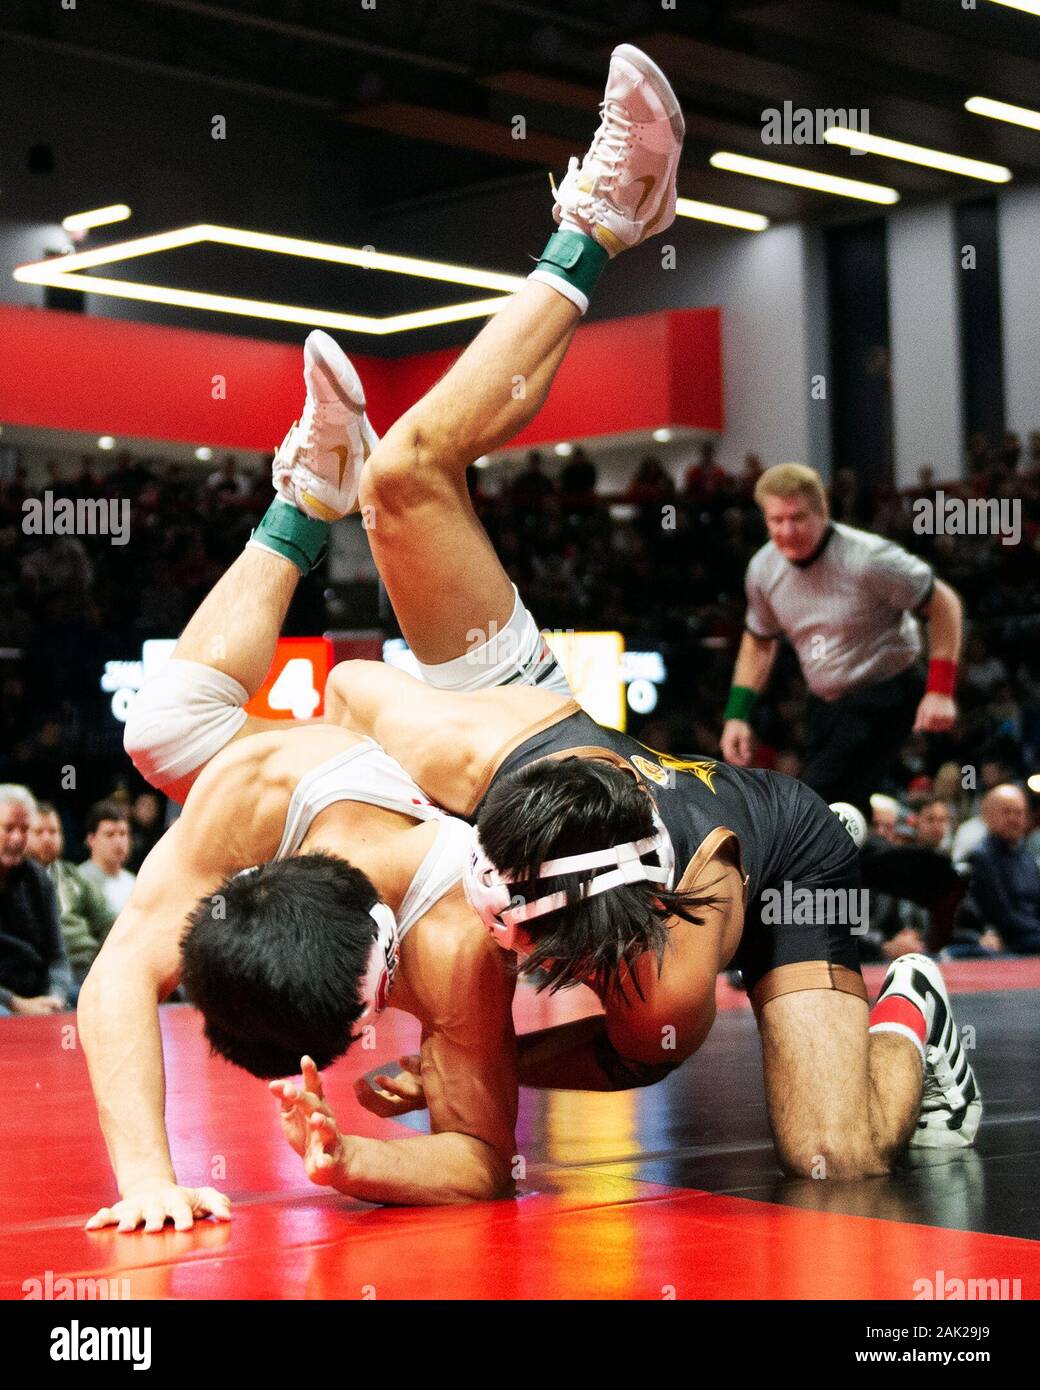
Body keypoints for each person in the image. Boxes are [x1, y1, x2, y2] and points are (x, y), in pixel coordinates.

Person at [242, 49, 978, 1170]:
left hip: (784, 858)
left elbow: (641, 1054)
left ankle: (910, 1005)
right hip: (564, 755)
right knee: (398, 486)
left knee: (835, 1157)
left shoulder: (656, 976)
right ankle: (592, 229)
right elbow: (347, 681)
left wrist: (486, 1060)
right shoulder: (482, 768)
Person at [80, 41, 678, 1231]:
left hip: (493, 738)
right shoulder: (259, 829)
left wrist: (387, 1131)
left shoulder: (417, 918)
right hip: (461, 765)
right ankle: (307, 495)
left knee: (401, 480)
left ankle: (602, 221)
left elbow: (471, 1153)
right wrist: (169, 1178)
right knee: (175, 726)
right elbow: (114, 986)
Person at [718, 462, 962, 817]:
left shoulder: (868, 558)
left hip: (886, 691)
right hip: (824, 704)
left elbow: (944, 603)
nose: (787, 530)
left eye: (797, 517)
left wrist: (940, 690)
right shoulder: (762, 569)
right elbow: (759, 641)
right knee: (843, 813)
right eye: (776, 520)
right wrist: (736, 716)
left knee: (819, 807)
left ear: (822, 511)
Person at [0, 785, 73, 1017]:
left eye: (24, 829)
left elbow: (57, 955)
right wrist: (16, 1004)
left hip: (41, 991)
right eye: (9, 828)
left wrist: (55, 996)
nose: (17, 838)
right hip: (6, 1001)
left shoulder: (37, 878)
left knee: (104, 998)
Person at [27, 801, 115, 986]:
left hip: (91, 966)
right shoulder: (17, 880)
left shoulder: (72, 875)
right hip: (52, 973)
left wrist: (108, 961)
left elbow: (108, 921)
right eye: (39, 832)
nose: (47, 838)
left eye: (53, 831)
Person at [965, 784, 1040, 955]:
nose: (1014, 819)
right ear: (988, 816)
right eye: (1007, 812)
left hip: (1032, 934)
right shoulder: (981, 858)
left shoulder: (1026, 855)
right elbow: (1002, 916)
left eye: (1019, 813)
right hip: (1008, 939)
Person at [78, 800, 136, 916]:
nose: (118, 841)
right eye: (110, 834)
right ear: (91, 840)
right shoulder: (78, 880)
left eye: (123, 833)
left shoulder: (134, 883)